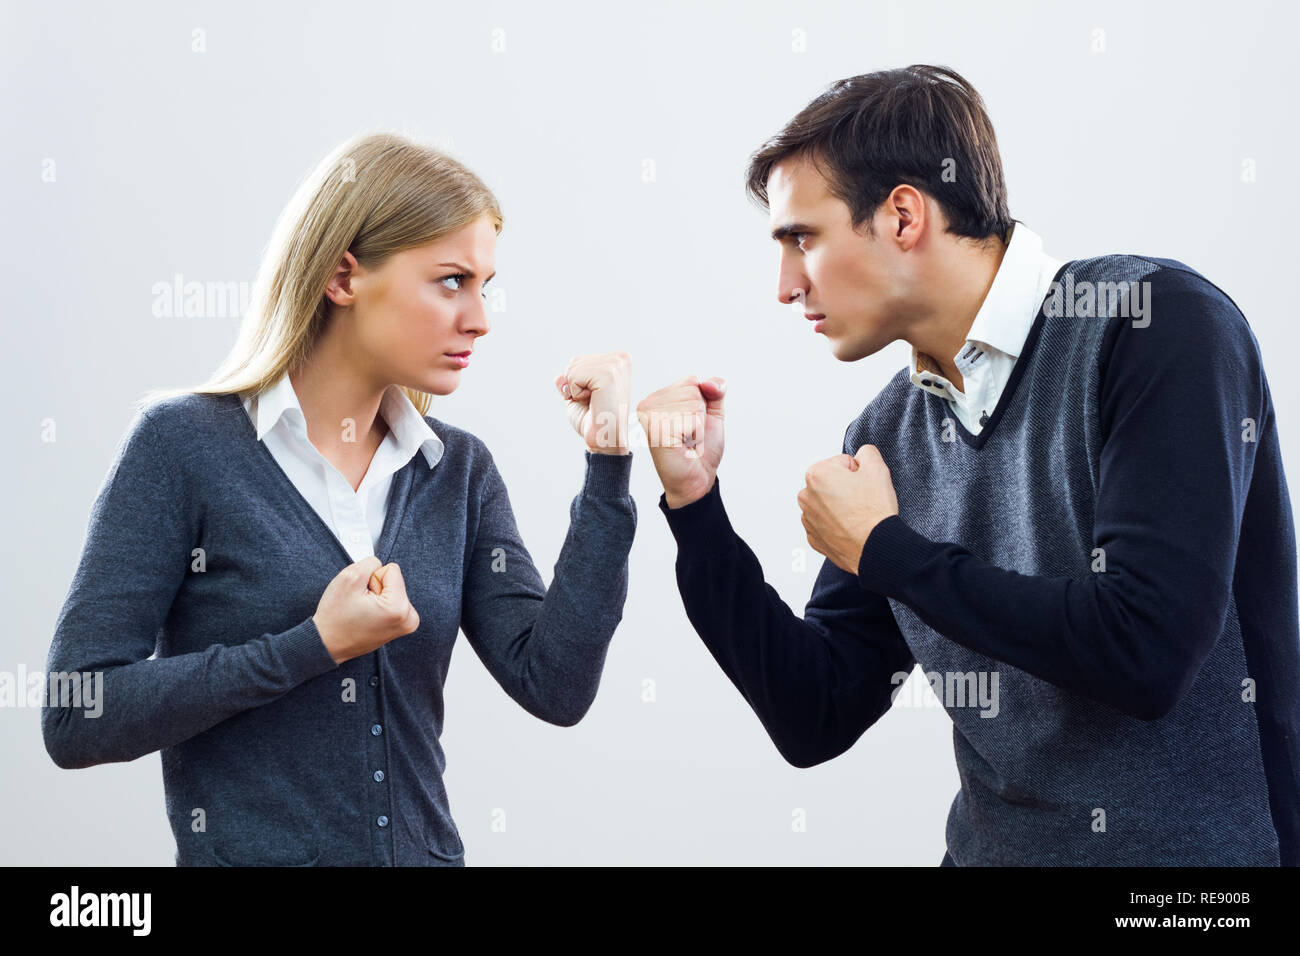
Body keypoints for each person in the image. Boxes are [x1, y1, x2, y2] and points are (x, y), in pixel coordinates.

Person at [637, 64, 1298, 866]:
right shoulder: (884, 433)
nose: (784, 286)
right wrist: (697, 507)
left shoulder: (1154, 324)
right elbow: (814, 714)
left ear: (904, 215)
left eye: (801, 238)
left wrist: (885, 552)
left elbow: (1145, 651)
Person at [41, 131, 637, 866]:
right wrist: (312, 645)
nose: (479, 317)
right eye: (451, 281)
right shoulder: (183, 446)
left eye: (485, 285)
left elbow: (556, 685)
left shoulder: (457, 471)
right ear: (342, 277)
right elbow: (75, 714)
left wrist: (608, 465)